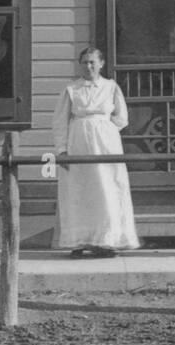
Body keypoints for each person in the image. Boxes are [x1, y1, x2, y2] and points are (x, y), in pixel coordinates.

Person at [52, 45, 140, 258]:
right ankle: (79, 241)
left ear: (101, 64)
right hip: (78, 143)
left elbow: (122, 117)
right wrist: (62, 150)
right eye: (84, 62)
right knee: (80, 190)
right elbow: (60, 122)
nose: (89, 66)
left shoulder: (110, 87)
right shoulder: (72, 89)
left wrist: (104, 129)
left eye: (93, 62)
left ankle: (106, 241)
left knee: (106, 189)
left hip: (106, 144)